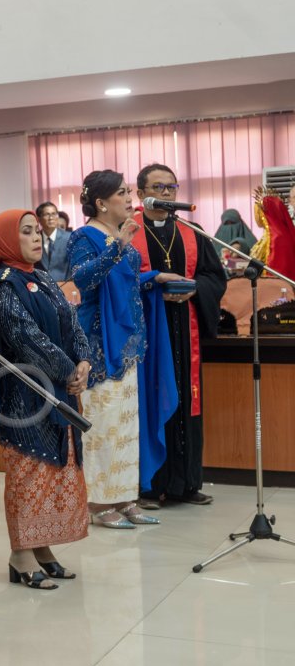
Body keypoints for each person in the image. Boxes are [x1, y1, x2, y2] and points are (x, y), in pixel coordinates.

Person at [0, 210, 91, 589]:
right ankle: (21, 554)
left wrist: (84, 361)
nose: (36, 237)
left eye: (38, 231)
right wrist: (66, 370)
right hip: (24, 398)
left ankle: (42, 548)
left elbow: (72, 323)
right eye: (26, 232)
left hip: (58, 391)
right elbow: (23, 337)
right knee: (29, 475)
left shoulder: (42, 277)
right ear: (6, 239)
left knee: (55, 472)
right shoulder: (4, 284)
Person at [66, 169, 180, 529]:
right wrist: (117, 247)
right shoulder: (84, 236)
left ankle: (126, 496)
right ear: (100, 203)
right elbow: (81, 279)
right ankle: (99, 502)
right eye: (121, 193)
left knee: (126, 424)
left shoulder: (120, 235)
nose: (129, 198)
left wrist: (154, 278)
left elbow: (126, 281)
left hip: (128, 340)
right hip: (100, 342)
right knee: (103, 423)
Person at [132, 164, 227, 508]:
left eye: (172, 187)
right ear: (140, 192)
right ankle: (149, 486)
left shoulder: (192, 230)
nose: (168, 194)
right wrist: (154, 290)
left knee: (189, 401)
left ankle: (187, 483)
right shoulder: (128, 232)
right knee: (152, 404)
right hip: (147, 335)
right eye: (159, 187)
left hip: (185, 332)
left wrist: (194, 290)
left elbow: (215, 277)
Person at [36, 201, 72, 281]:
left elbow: (73, 266)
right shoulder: (35, 238)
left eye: (54, 214)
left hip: (64, 285)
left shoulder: (69, 237)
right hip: (41, 285)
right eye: (47, 214)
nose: (51, 217)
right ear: (39, 219)